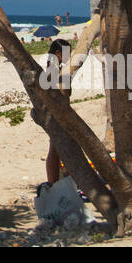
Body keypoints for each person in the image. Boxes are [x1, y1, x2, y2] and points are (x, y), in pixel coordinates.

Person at [44, 39, 73, 183]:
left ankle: (55, 180)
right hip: (56, 112)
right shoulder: (53, 68)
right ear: (58, 53)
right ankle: (53, 181)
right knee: (55, 149)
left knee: (56, 148)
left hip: (57, 111)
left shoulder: (54, 66)